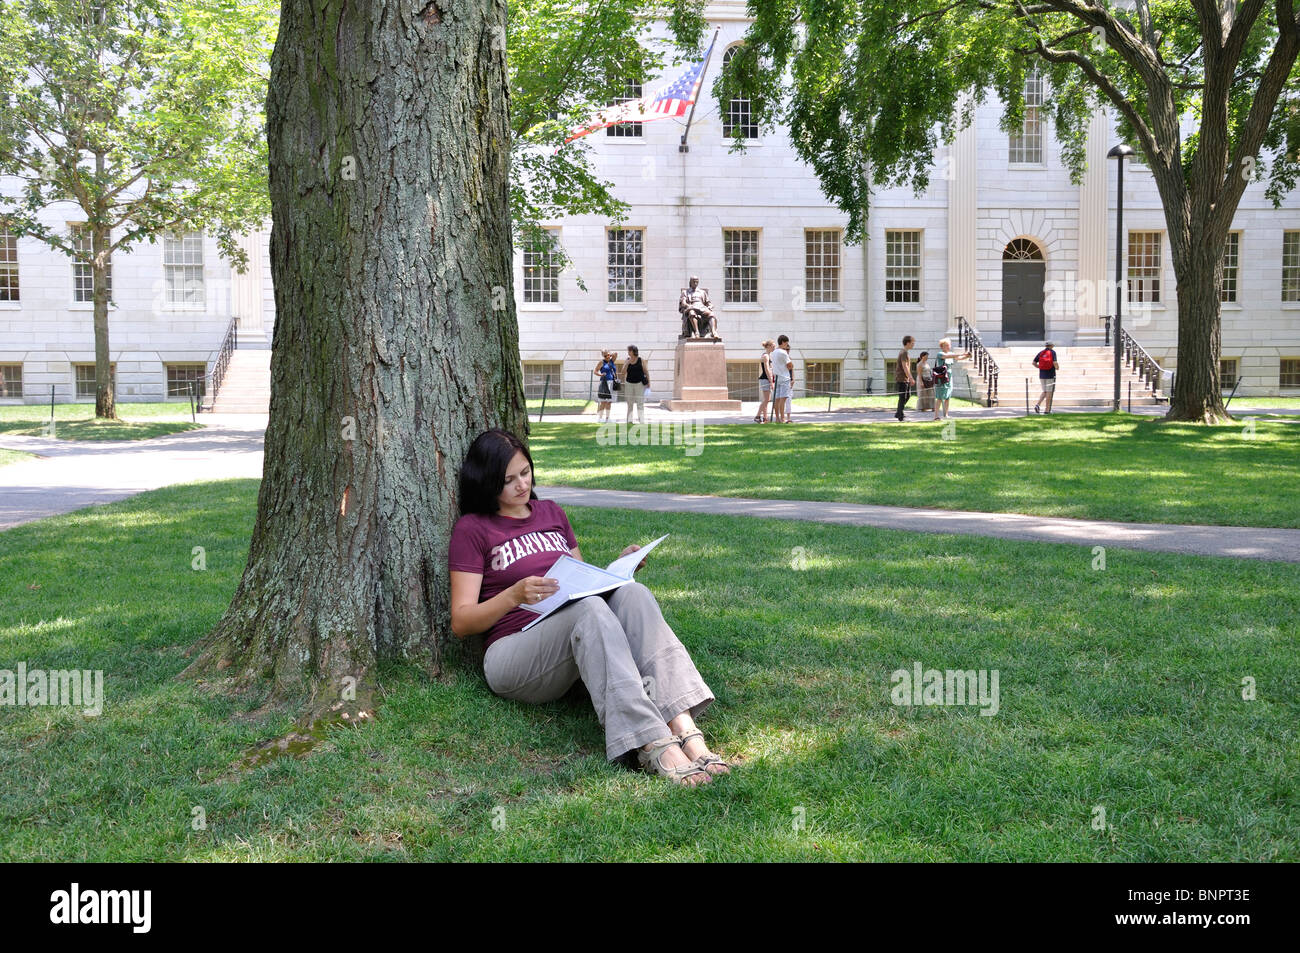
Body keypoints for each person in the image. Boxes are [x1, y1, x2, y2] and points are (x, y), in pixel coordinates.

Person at [449, 430, 730, 786]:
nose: (521, 485)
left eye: (525, 472)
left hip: (568, 631)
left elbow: (582, 582)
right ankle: (650, 741)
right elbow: (461, 621)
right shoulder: (472, 529)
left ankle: (683, 725)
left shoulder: (550, 512)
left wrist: (619, 569)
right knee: (590, 611)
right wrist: (513, 595)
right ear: (486, 483)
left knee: (633, 595)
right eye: (508, 480)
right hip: (513, 651)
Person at [932, 337, 973, 420]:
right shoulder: (940, 354)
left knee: (947, 397)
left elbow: (958, 358)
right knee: (939, 397)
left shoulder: (951, 354)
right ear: (942, 346)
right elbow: (949, 356)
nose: (948, 346)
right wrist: (962, 353)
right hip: (941, 378)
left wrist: (967, 356)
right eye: (946, 345)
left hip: (949, 378)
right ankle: (936, 416)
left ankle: (946, 414)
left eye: (948, 345)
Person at [622, 344, 649, 423]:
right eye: (628, 350)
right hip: (629, 384)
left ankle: (641, 421)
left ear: (633, 351)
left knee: (640, 403)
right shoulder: (627, 360)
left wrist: (649, 382)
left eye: (629, 350)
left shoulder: (641, 360)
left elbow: (646, 371)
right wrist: (627, 363)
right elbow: (622, 372)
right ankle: (629, 421)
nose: (628, 352)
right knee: (630, 403)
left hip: (639, 384)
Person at [771, 334, 794, 423]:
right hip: (784, 378)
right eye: (786, 343)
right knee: (783, 399)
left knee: (777, 399)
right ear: (783, 342)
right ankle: (783, 419)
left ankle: (777, 418)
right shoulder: (783, 352)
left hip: (777, 378)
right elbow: (790, 365)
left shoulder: (773, 353)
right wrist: (790, 365)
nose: (786, 346)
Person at [1032, 342, 1060, 414]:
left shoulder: (1041, 352)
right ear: (1052, 346)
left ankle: (1037, 405)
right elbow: (1055, 362)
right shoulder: (1052, 352)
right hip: (1050, 374)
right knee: (1049, 392)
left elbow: (1033, 363)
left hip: (1042, 375)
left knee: (1045, 391)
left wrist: (1040, 367)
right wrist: (1057, 368)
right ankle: (1047, 410)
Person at [894, 335, 916, 421]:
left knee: (907, 396)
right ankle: (900, 415)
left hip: (905, 378)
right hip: (901, 378)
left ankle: (899, 412)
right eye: (912, 343)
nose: (913, 344)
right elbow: (905, 366)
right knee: (903, 397)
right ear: (908, 343)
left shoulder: (905, 352)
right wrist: (911, 378)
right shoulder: (904, 353)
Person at [593, 350, 618, 422]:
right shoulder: (601, 362)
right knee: (603, 401)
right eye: (605, 356)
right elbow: (595, 371)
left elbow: (616, 353)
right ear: (603, 356)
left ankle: (607, 418)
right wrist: (600, 374)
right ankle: (600, 418)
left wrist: (609, 354)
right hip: (604, 382)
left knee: (609, 401)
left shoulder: (611, 361)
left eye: (608, 355)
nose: (607, 356)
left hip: (612, 382)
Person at [755, 339, 775, 423]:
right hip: (765, 379)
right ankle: (757, 416)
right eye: (773, 346)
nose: (774, 347)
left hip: (766, 379)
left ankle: (765, 418)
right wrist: (771, 381)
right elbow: (767, 369)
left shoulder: (768, 355)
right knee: (767, 399)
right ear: (769, 346)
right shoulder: (766, 356)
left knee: (766, 399)